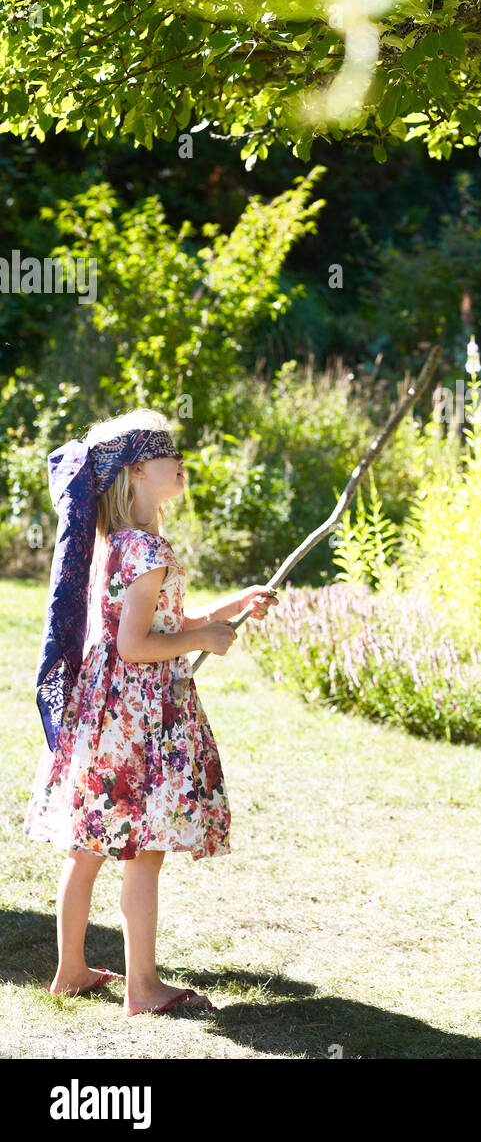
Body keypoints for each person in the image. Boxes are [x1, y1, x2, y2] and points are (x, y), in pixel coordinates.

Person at [24, 408, 277, 1016]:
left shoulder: (116, 543)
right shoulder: (149, 548)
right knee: (143, 849)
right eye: (169, 453)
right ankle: (142, 988)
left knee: (87, 846)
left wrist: (225, 611)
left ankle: (72, 969)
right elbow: (138, 645)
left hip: (100, 715)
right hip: (138, 722)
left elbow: (158, 622)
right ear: (137, 471)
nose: (180, 460)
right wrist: (203, 641)